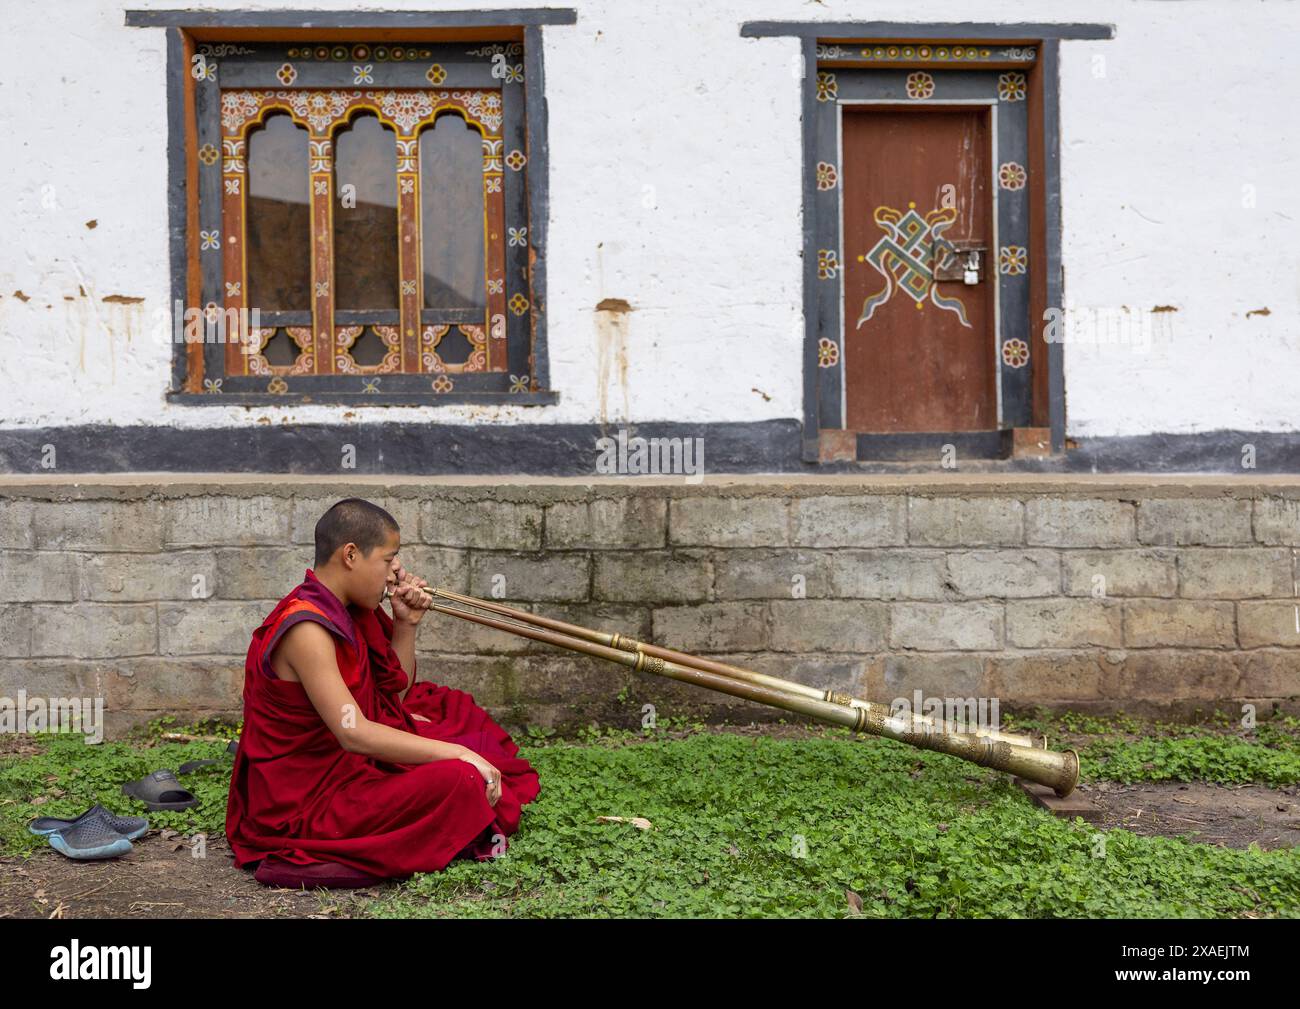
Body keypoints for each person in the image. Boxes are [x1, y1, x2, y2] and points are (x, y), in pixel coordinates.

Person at [225, 497, 540, 888]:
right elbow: (353, 731)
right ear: (351, 555)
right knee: (462, 776)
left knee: (456, 725)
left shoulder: (350, 610)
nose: (396, 574)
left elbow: (396, 696)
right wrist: (459, 754)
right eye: (389, 560)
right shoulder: (306, 628)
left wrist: (405, 625)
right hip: (308, 803)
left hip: (351, 773)